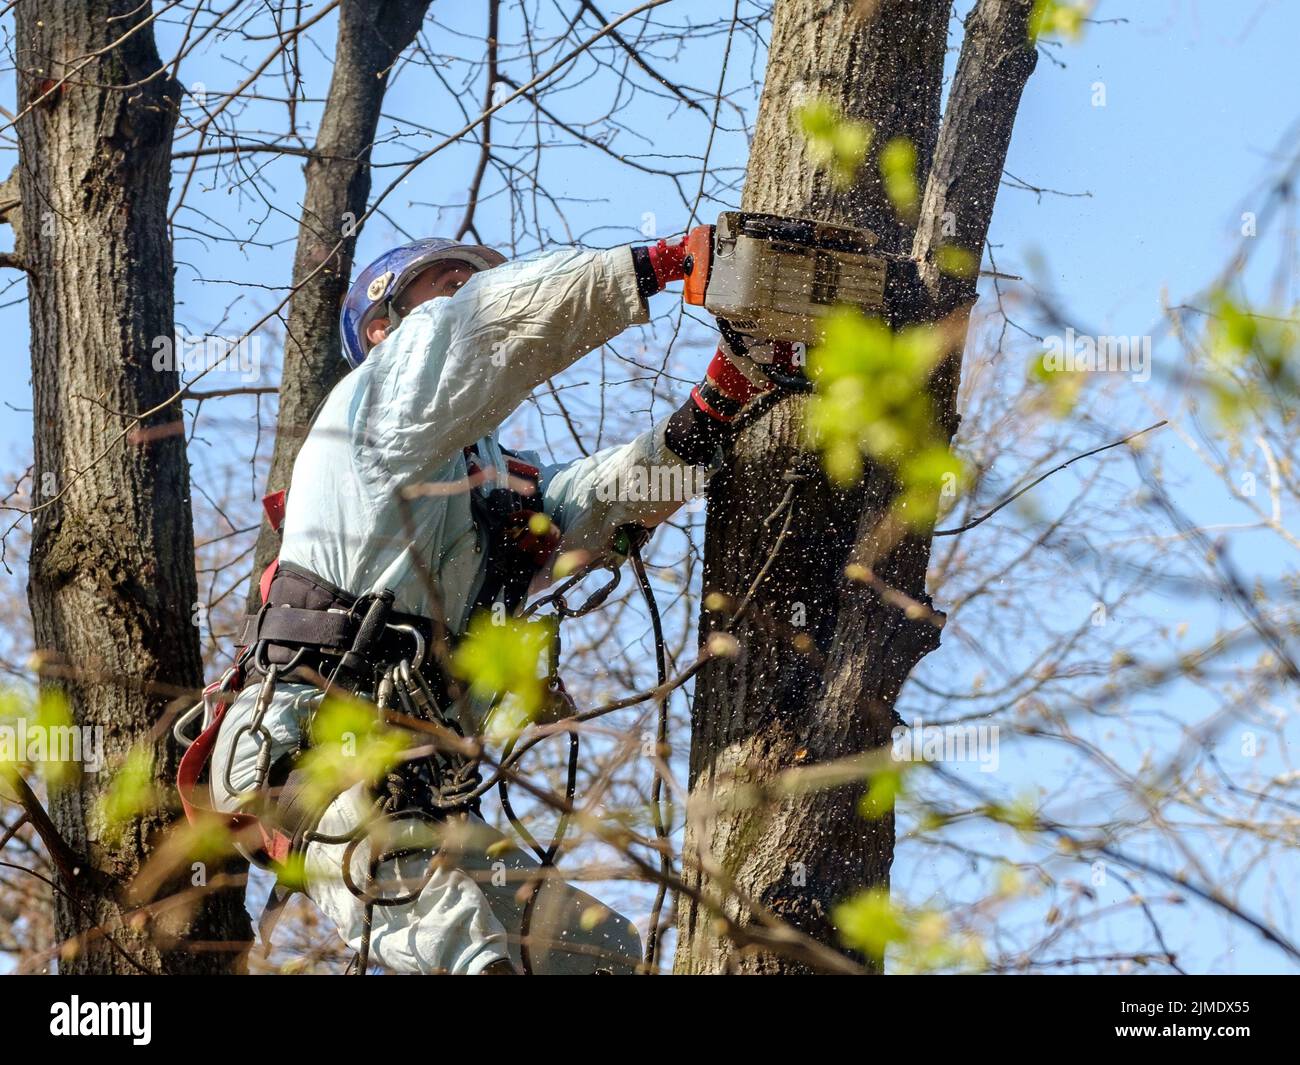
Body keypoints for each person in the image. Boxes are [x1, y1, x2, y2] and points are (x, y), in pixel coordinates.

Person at [204, 234, 791, 974]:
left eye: (475, 279)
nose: (468, 286)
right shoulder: (372, 409)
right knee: (466, 947)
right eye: (443, 281)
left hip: (423, 789)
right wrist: (666, 261)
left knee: (597, 953)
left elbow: (600, 505)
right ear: (382, 328)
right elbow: (481, 330)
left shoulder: (490, 490)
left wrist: (719, 400)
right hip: (311, 755)